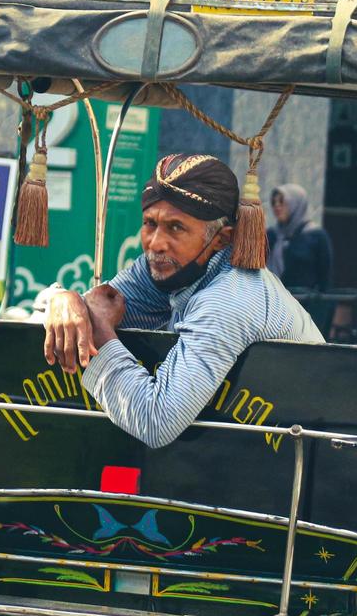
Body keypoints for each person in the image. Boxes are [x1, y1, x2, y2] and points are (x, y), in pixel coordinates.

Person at [43, 153, 322, 448]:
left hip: (305, 455)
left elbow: (156, 422)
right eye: (150, 224)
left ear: (222, 239)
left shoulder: (229, 299)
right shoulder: (165, 266)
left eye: (176, 228)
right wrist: (64, 299)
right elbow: (98, 305)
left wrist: (98, 330)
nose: (156, 243)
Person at [266, 183, 332, 290]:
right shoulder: (271, 234)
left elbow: (325, 279)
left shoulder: (316, 236)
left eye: (282, 201)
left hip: (304, 303)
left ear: (295, 204)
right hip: (273, 300)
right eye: (274, 202)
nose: (277, 206)